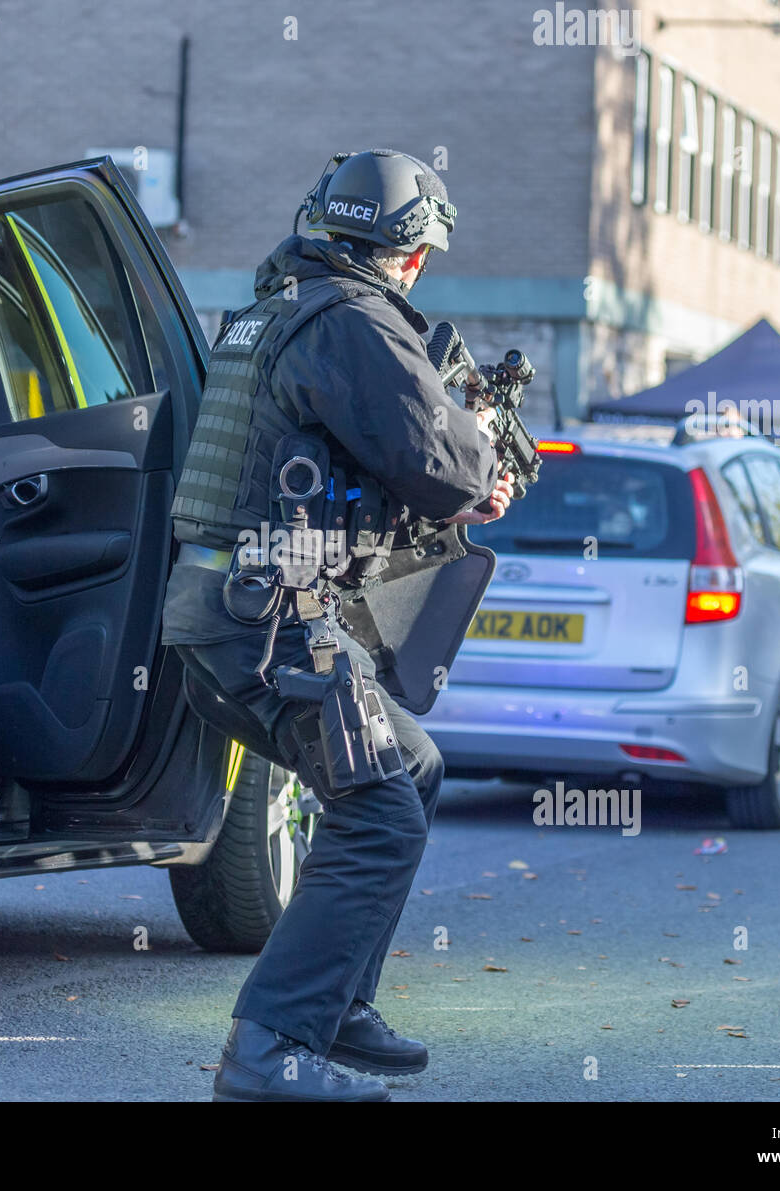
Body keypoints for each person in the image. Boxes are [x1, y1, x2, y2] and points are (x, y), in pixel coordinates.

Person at [161, 148, 513, 1102]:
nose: (420, 272)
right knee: (381, 812)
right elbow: (445, 465)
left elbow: (344, 467)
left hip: (224, 613)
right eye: (422, 255)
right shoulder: (351, 321)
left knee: (415, 765)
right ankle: (269, 1049)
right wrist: (483, 472)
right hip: (269, 627)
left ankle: (338, 1004)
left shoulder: (274, 310)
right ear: (406, 252)